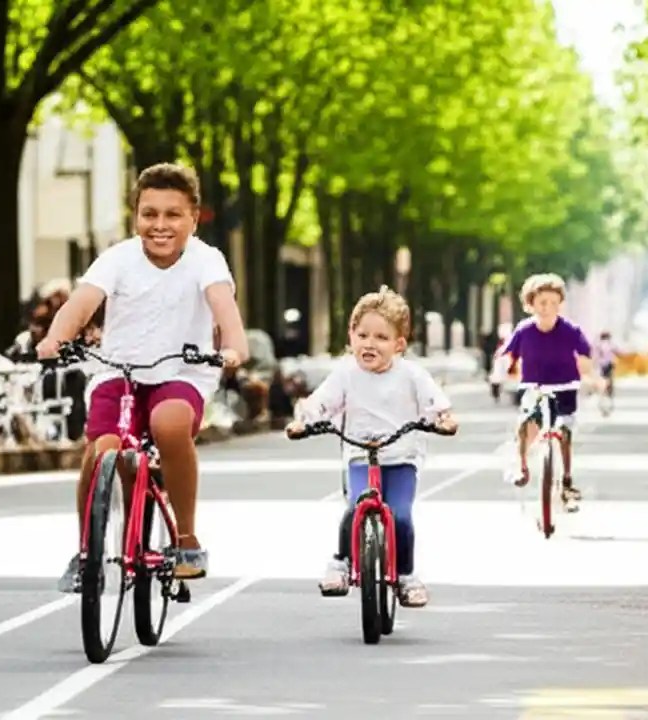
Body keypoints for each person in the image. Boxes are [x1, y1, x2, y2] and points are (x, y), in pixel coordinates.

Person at [38, 163, 248, 590]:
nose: (160, 225)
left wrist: (233, 348)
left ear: (193, 217)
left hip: (181, 371)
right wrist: (54, 339)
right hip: (119, 370)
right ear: (135, 216)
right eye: (149, 213)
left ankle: (185, 540)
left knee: (168, 424)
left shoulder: (206, 260)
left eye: (173, 215)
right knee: (102, 452)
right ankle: (86, 553)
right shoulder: (118, 257)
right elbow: (81, 303)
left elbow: (224, 309)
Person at [286, 287, 456, 607]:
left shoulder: (412, 375)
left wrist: (444, 419)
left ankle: (406, 576)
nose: (369, 343)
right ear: (350, 336)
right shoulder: (345, 374)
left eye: (381, 337)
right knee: (356, 507)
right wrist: (303, 422)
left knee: (401, 516)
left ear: (399, 344)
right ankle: (340, 563)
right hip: (360, 455)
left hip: (402, 458)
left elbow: (437, 406)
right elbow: (321, 403)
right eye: (362, 334)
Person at [489, 273, 592, 499]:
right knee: (528, 425)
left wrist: (590, 376)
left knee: (564, 430)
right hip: (533, 386)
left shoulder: (570, 330)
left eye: (554, 303)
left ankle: (566, 479)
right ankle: (522, 466)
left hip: (566, 387)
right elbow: (506, 354)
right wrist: (499, 374)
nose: (548, 308)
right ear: (531, 304)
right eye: (542, 303)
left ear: (560, 305)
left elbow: (585, 355)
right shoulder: (524, 330)